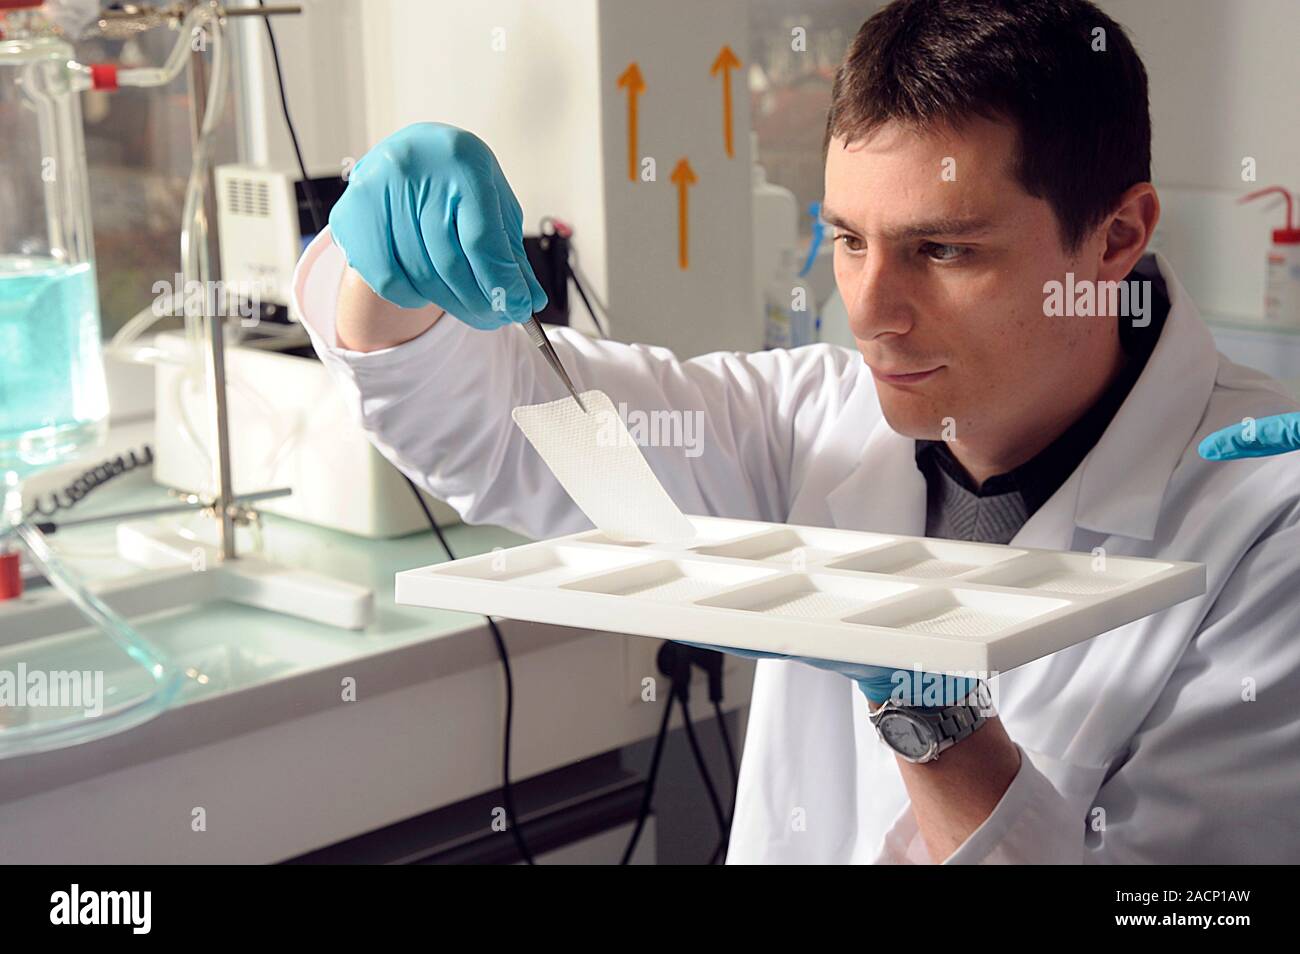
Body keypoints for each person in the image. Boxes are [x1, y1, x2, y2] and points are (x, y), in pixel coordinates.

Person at [291, 0, 1300, 863]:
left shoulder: (1269, 528)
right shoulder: (810, 423)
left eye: (941, 249)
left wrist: (934, 717)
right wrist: (389, 281)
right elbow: (510, 433)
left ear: (1116, 237)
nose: (869, 309)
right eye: (849, 240)